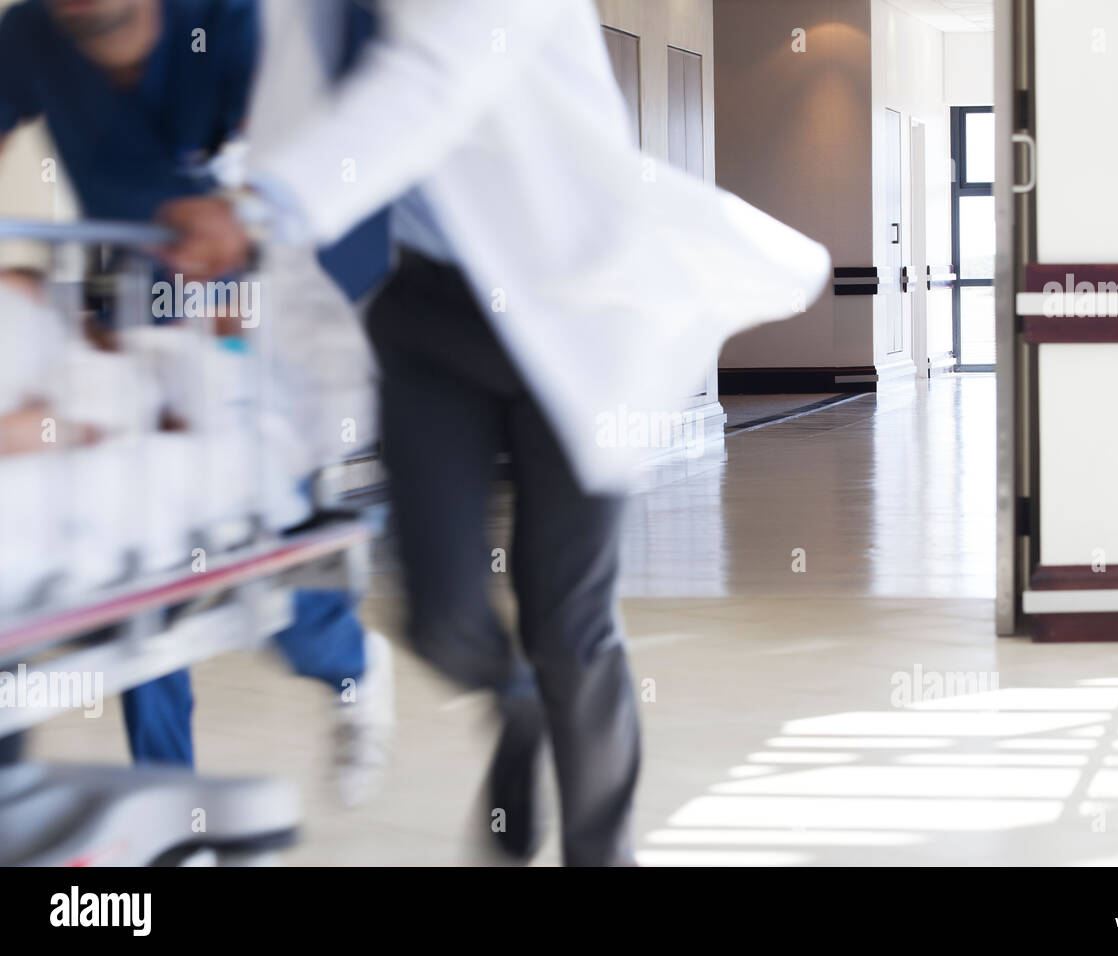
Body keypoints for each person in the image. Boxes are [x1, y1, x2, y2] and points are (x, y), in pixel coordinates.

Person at [160, 0, 830, 865]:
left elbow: (432, 81)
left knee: (568, 619)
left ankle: (601, 849)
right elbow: (305, 146)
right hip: (426, 316)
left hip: (577, 299)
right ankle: (515, 705)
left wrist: (259, 206)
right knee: (437, 617)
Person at [0, 0, 394, 805]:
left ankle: (353, 667)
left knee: (268, 566)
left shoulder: (235, 22)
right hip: (132, 308)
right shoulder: (31, 37)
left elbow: (306, 151)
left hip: (260, 310)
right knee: (137, 581)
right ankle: (166, 795)